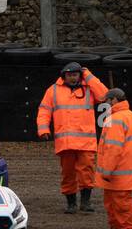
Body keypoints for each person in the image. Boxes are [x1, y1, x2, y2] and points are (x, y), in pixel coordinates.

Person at [36, 61, 109, 213]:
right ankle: (71, 204)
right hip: (66, 142)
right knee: (68, 173)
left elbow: (104, 95)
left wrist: (88, 75)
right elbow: (44, 110)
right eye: (69, 75)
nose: (72, 78)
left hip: (86, 141)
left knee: (87, 171)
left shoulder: (89, 88)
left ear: (80, 75)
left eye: (75, 74)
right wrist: (43, 129)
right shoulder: (53, 90)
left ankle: (85, 203)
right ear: (64, 76)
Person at [96, 88, 132, 229]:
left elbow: (113, 148)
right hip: (123, 170)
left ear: (114, 100)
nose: (105, 103)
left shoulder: (115, 119)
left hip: (117, 171)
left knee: (121, 204)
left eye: (107, 100)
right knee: (113, 202)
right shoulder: (131, 116)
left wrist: (107, 171)